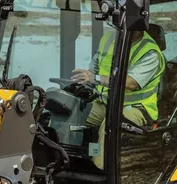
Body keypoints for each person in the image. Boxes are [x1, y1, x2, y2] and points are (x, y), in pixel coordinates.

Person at [71, 27, 165, 169]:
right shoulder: (108, 39)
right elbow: (94, 67)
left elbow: (130, 83)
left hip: (137, 108)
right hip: (104, 102)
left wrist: (95, 78)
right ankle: (65, 164)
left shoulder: (150, 52)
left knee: (111, 124)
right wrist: (87, 78)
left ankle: (99, 176)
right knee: (71, 112)